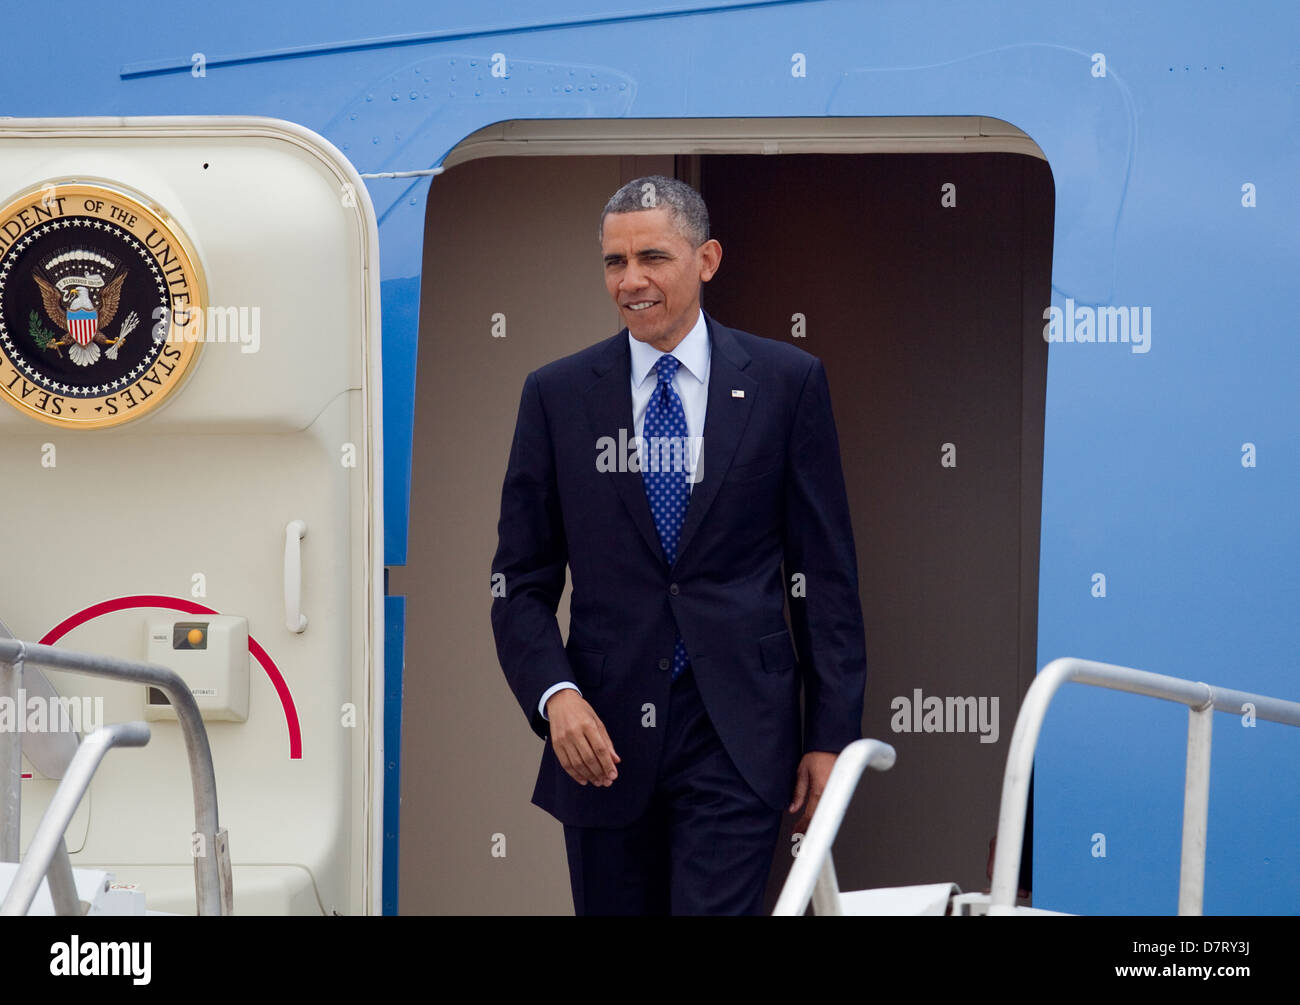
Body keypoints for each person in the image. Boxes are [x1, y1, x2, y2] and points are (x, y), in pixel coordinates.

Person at [490, 175, 867, 915]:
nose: (631, 281)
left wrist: (831, 734)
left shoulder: (786, 384)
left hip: (738, 734)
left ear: (707, 259)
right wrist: (555, 695)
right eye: (614, 262)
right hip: (602, 739)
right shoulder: (558, 395)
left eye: (653, 257)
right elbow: (518, 581)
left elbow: (823, 576)